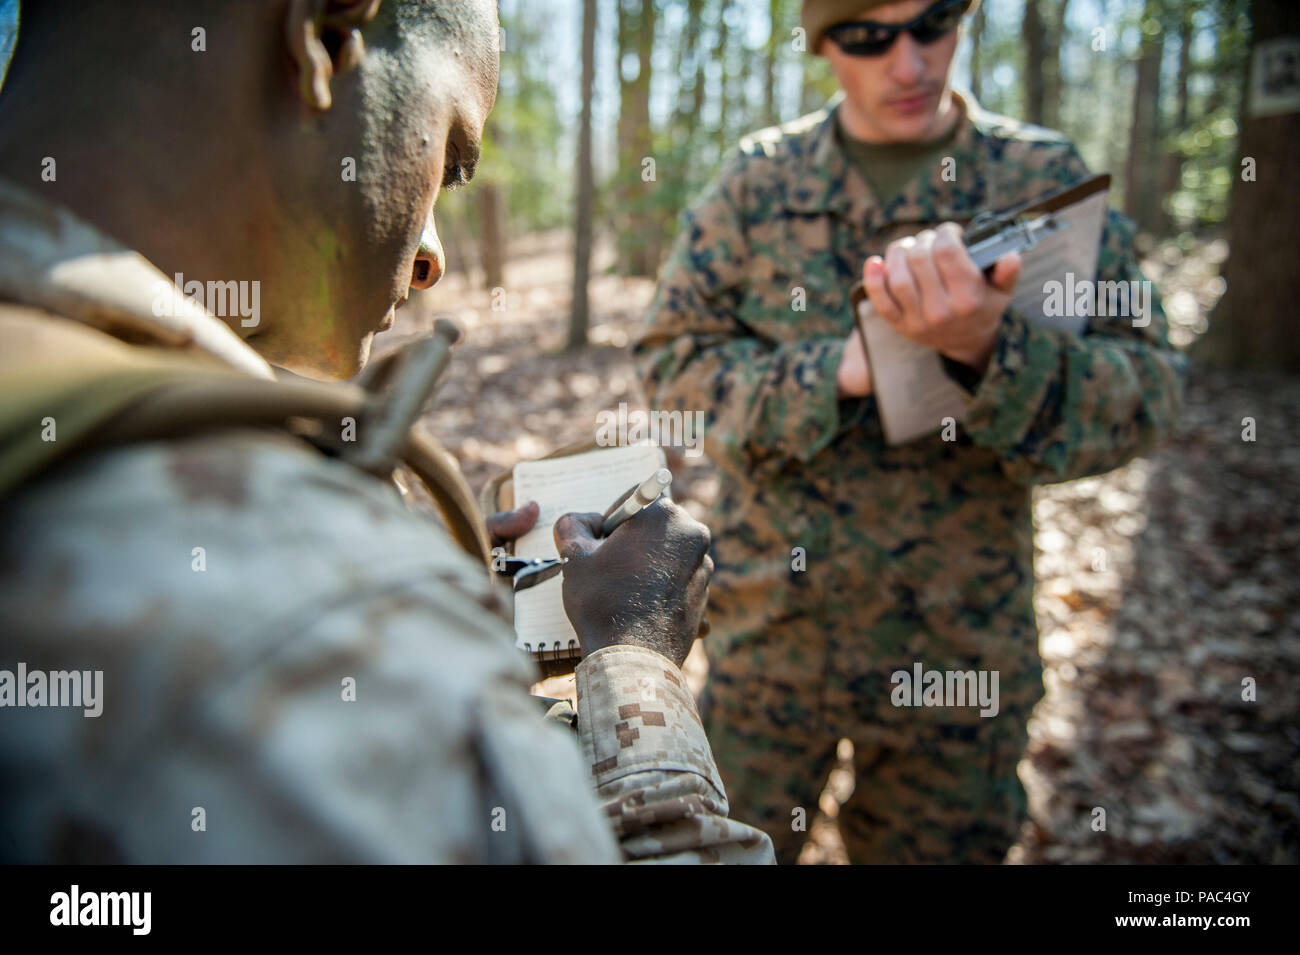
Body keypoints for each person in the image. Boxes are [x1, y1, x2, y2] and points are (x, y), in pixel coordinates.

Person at [0, 0, 772, 864]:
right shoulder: (321, 612)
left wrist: (445, 606)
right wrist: (636, 659)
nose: (431, 255)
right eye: (450, 159)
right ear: (324, 37)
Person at [634, 0, 1185, 864]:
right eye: (868, 35)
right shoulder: (758, 182)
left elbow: (1148, 391)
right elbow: (672, 370)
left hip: (961, 652)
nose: (909, 61)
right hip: (772, 644)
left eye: (933, 22)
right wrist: (840, 370)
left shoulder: (1038, 175)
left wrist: (987, 354)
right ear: (824, 44)